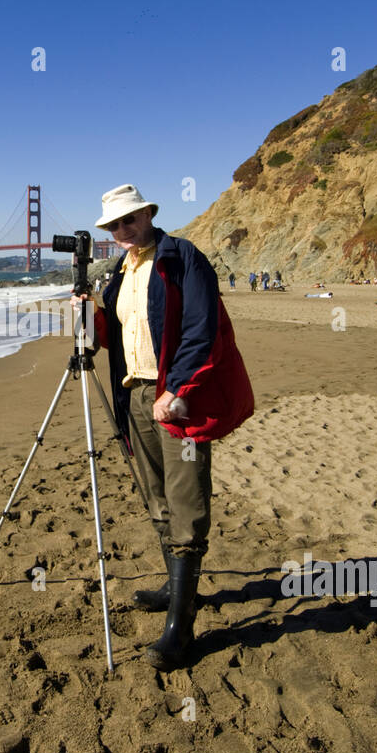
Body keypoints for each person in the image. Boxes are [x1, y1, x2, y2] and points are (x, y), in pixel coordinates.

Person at [72, 184, 254, 671]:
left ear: (149, 213)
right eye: (112, 225)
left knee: (187, 500)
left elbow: (203, 326)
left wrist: (178, 392)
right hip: (136, 397)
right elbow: (115, 334)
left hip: (176, 401)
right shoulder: (119, 272)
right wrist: (86, 315)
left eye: (129, 220)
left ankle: (181, 623)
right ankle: (176, 588)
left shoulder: (182, 258)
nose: (121, 231)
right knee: (154, 494)